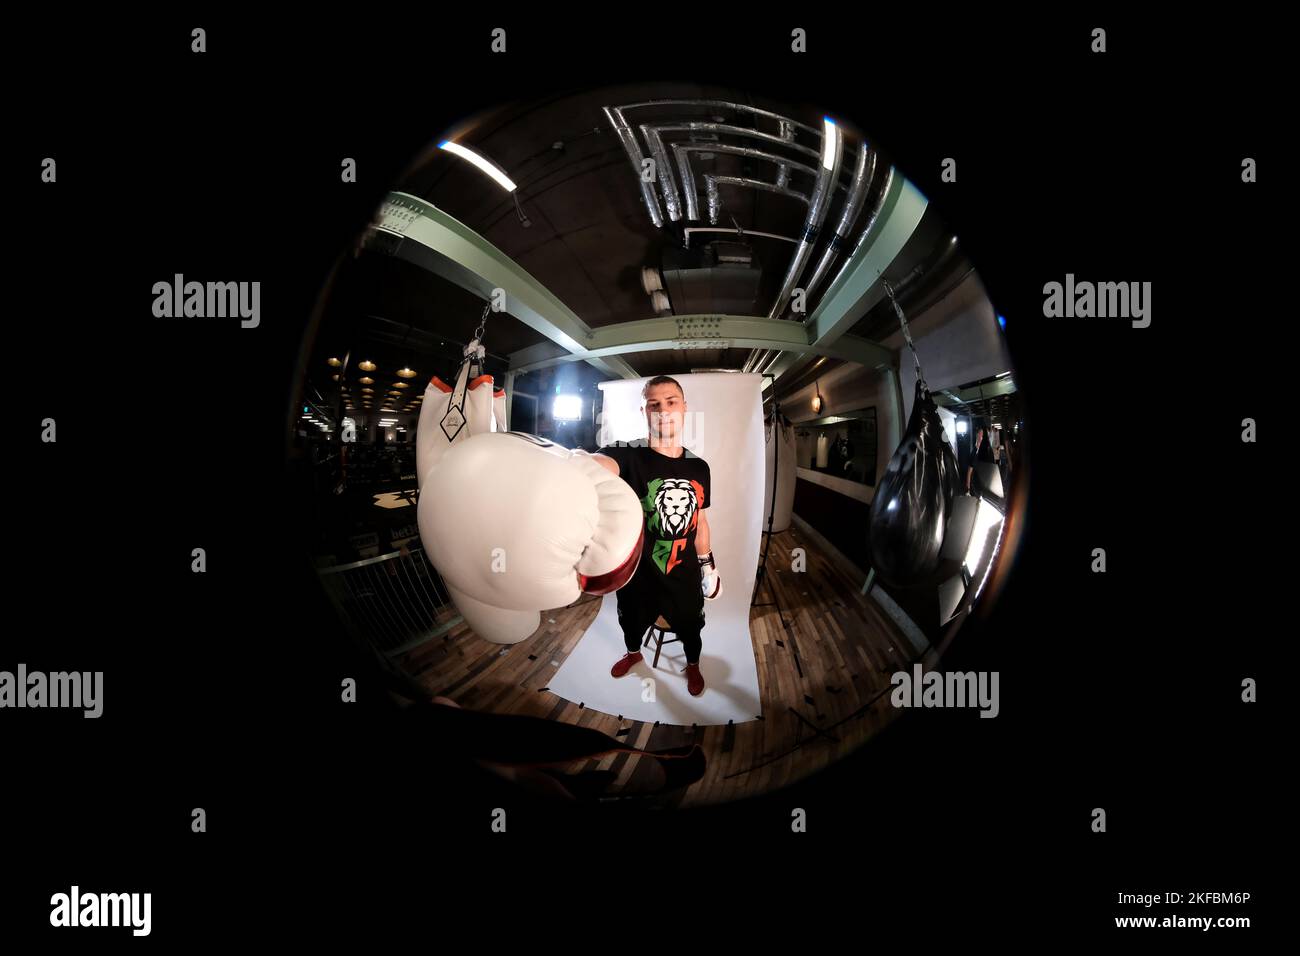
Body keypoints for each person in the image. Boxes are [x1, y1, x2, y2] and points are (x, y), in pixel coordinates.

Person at [591, 377, 719, 697]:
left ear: (684, 407)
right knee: (631, 623)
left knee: (691, 627)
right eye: (654, 404)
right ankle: (634, 654)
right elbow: (595, 466)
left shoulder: (699, 467)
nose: (663, 410)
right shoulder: (626, 454)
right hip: (639, 573)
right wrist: (577, 466)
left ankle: (692, 664)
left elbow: (699, 521)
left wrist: (708, 566)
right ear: (644, 411)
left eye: (671, 401)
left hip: (684, 573)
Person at [966, 423, 996, 496]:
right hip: (975, 490)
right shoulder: (974, 451)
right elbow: (969, 472)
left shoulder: (989, 451)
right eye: (978, 435)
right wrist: (968, 490)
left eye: (982, 436)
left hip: (986, 489)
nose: (979, 437)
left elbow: (993, 471)